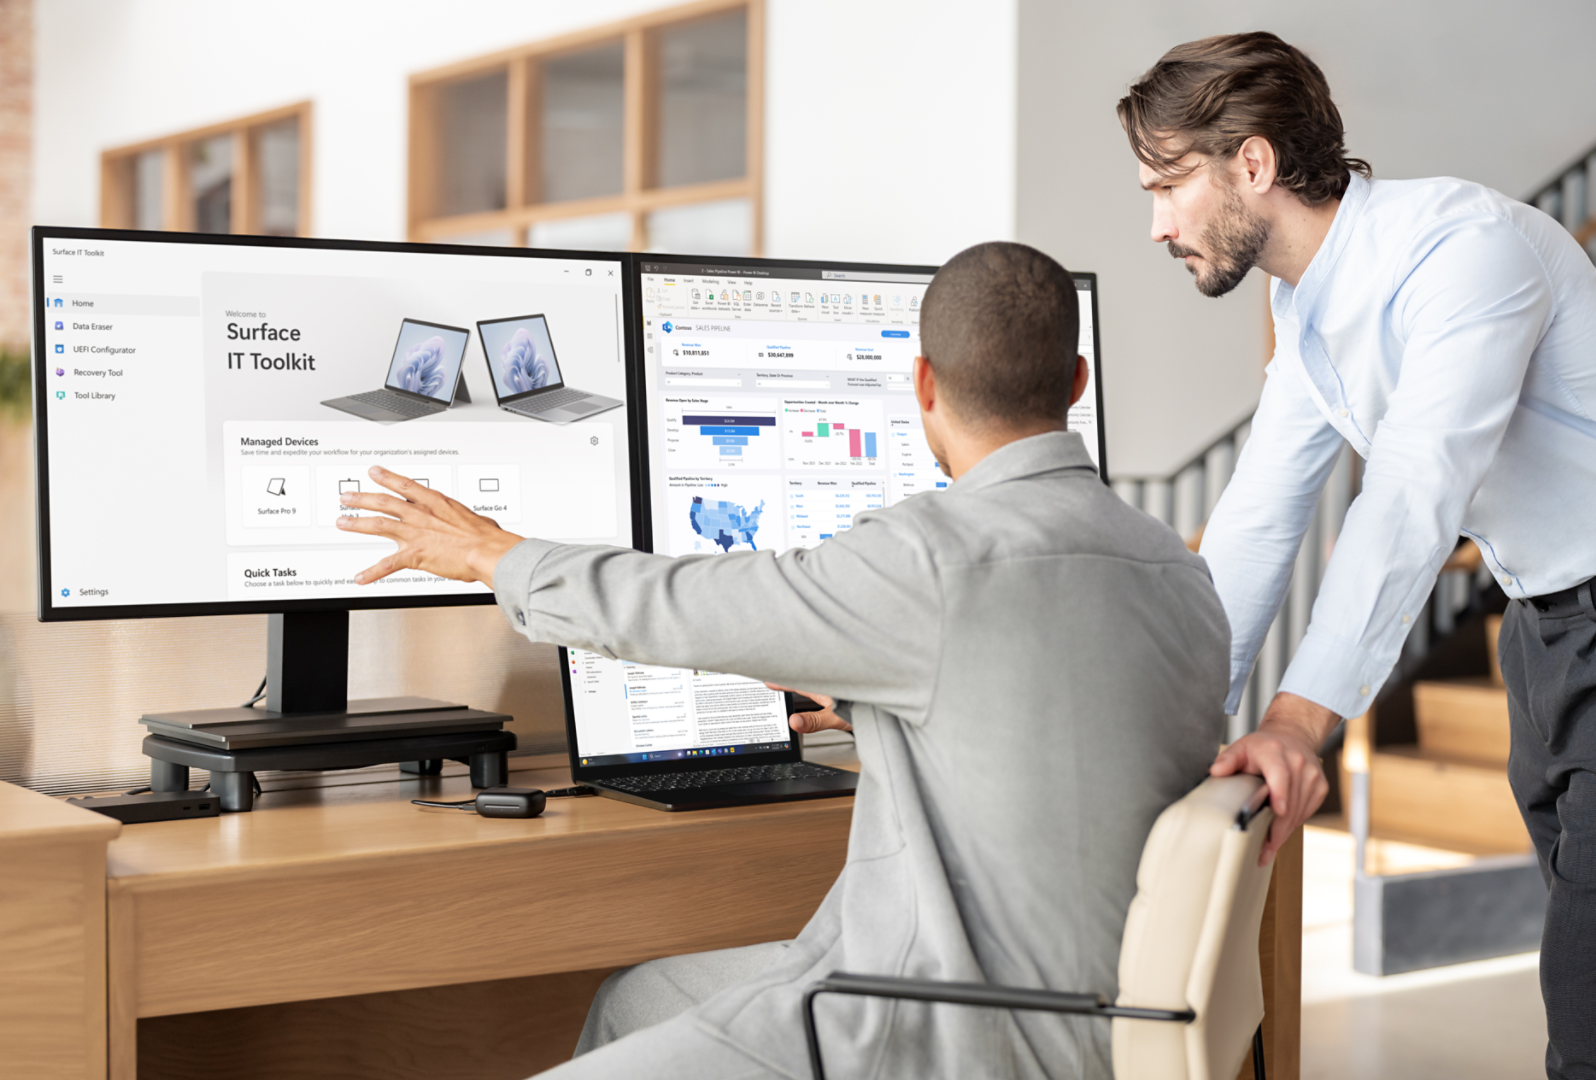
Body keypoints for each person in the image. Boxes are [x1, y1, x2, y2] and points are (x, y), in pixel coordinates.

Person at [336, 241, 1230, 1079]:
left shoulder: (928, 560)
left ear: (922, 382)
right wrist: (892, 711)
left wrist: (494, 553)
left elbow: (676, 607)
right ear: (1075, 381)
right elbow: (1082, 741)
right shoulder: (1180, 572)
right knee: (634, 999)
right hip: (1111, 1028)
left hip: (941, 1027)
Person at [1118, 32, 1596, 1077]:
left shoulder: (1465, 251)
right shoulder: (1308, 305)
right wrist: (1176, 724)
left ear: (1252, 165)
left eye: (1169, 185)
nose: (1157, 224)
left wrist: (1297, 720)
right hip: (1544, 627)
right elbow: (1258, 516)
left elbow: (1414, 495)